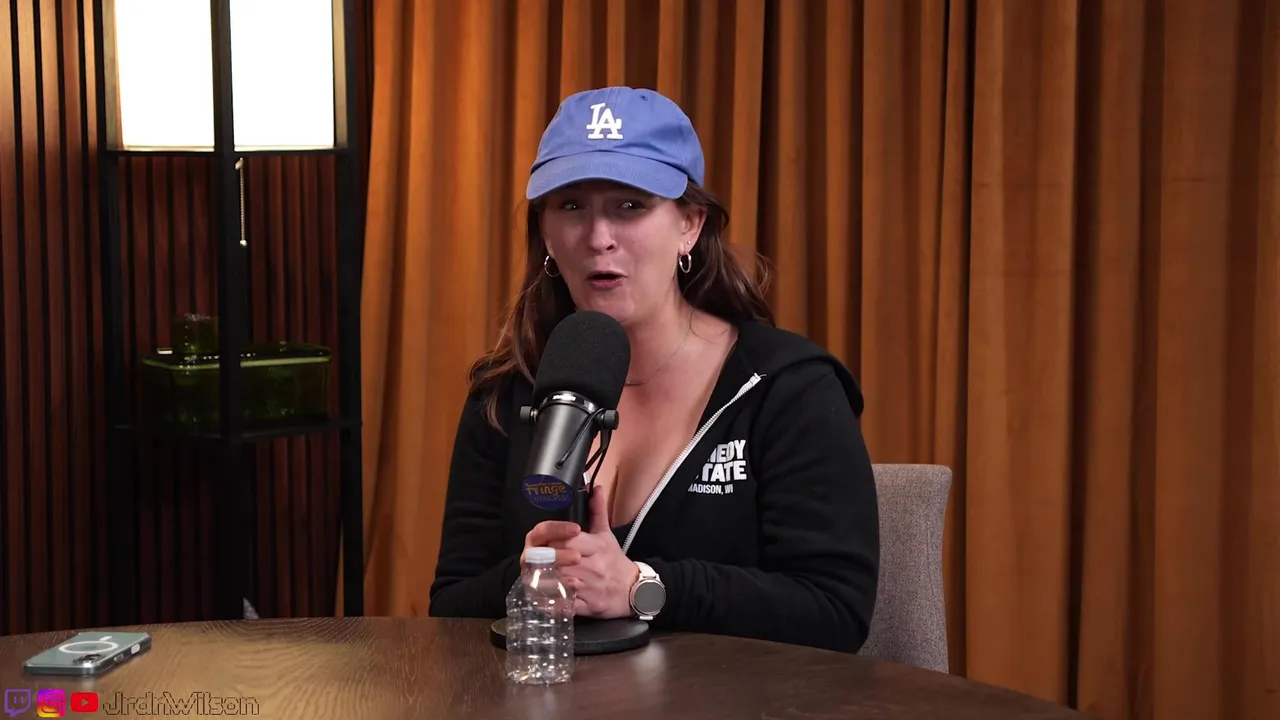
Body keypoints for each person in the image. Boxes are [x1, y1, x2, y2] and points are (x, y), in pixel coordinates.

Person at [428, 86, 879, 654]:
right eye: (571, 206)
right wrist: (534, 577)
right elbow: (450, 607)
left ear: (690, 224)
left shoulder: (787, 387)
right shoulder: (504, 393)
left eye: (630, 206)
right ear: (545, 232)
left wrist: (642, 586)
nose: (599, 238)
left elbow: (834, 612)